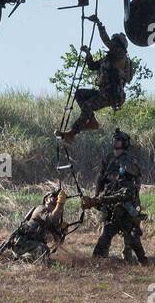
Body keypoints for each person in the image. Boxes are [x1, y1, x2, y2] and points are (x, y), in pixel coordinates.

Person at [55, 14, 133, 145]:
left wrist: (99, 23)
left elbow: (107, 41)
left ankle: (72, 133)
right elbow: (92, 66)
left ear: (119, 46)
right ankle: (92, 122)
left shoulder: (121, 56)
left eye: (114, 43)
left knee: (87, 105)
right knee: (79, 94)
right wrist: (88, 54)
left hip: (112, 94)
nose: (111, 44)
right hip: (105, 92)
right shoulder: (109, 59)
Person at [83, 129, 147, 263]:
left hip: (126, 200)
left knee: (131, 235)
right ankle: (99, 258)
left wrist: (134, 198)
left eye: (118, 139)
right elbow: (100, 177)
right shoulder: (108, 157)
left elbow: (136, 180)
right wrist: (97, 197)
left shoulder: (129, 159)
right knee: (107, 231)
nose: (115, 141)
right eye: (114, 139)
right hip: (110, 198)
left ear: (124, 143)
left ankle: (135, 258)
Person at [0, 188, 71, 262]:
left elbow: (58, 243)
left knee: (44, 252)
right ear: (46, 200)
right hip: (22, 244)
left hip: (32, 245)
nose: (56, 199)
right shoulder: (41, 209)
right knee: (43, 249)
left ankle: (28, 259)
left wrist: (63, 232)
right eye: (53, 196)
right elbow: (51, 218)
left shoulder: (53, 219)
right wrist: (60, 204)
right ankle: (21, 261)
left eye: (58, 199)